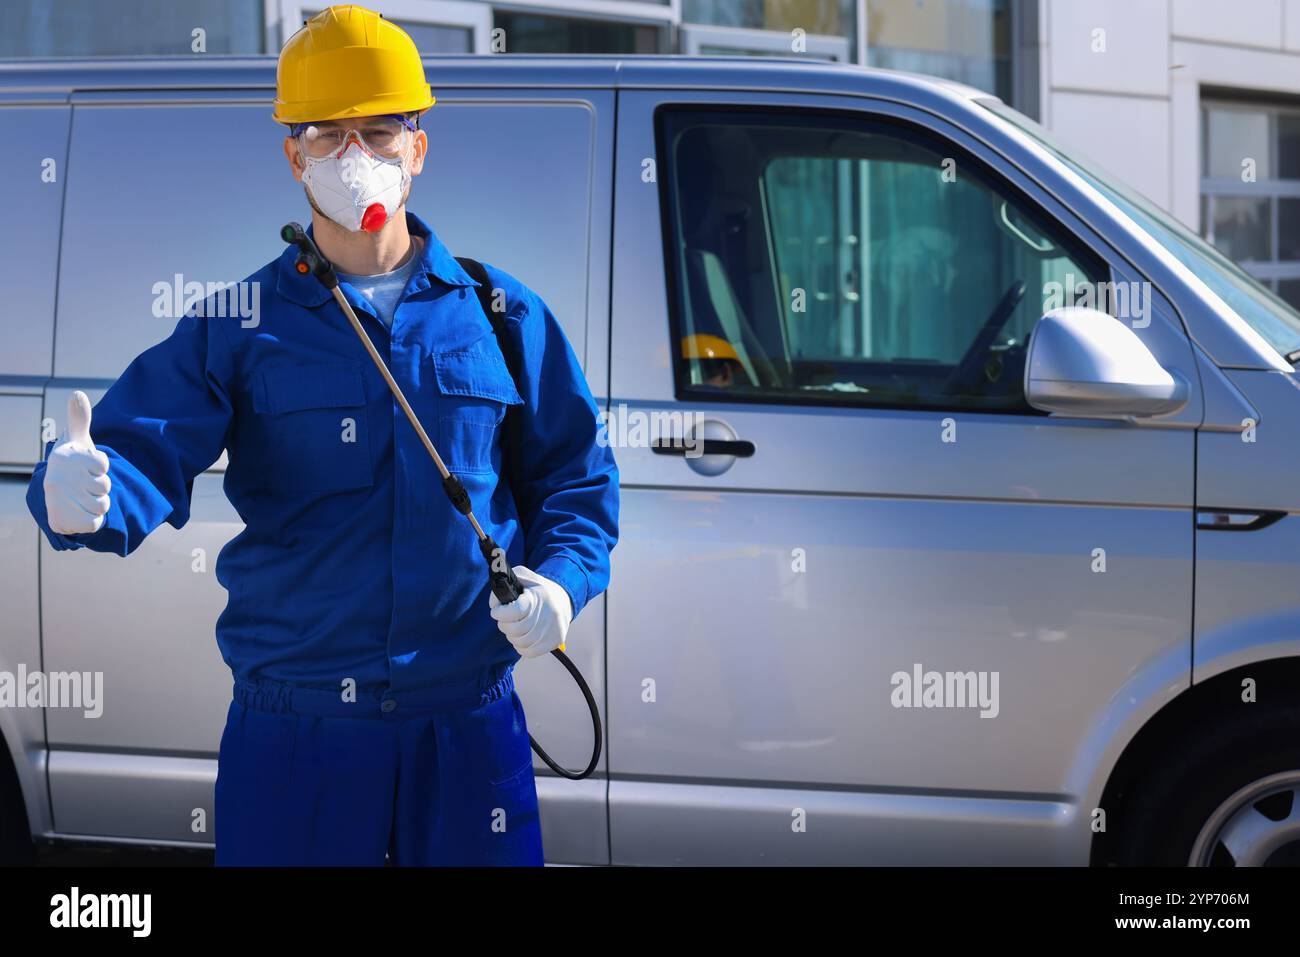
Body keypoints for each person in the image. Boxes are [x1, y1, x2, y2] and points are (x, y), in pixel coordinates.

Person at [27, 4, 618, 866]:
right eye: (328, 135)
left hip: (466, 728)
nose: (357, 158)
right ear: (292, 154)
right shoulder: (241, 324)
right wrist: (78, 491)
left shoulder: (503, 315)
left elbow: (576, 483)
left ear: (419, 147)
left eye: (379, 133)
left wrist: (562, 586)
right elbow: (138, 453)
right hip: (295, 737)